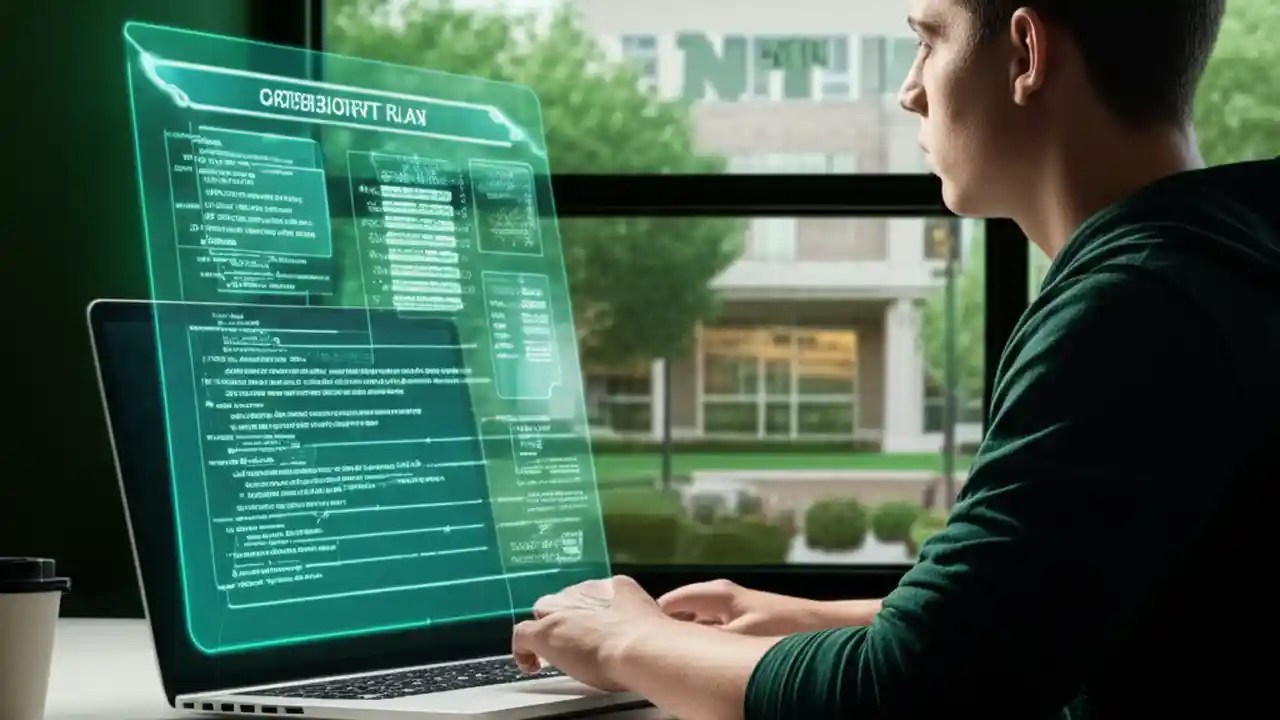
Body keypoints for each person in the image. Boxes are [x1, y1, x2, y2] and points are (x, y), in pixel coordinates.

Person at [512, 0, 1280, 717]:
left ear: (1025, 53)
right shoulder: (1228, 256)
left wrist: (625, 640)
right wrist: (823, 618)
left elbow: (917, 690)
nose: (910, 90)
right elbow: (1068, 596)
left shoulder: (1135, 307)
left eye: (928, 40)